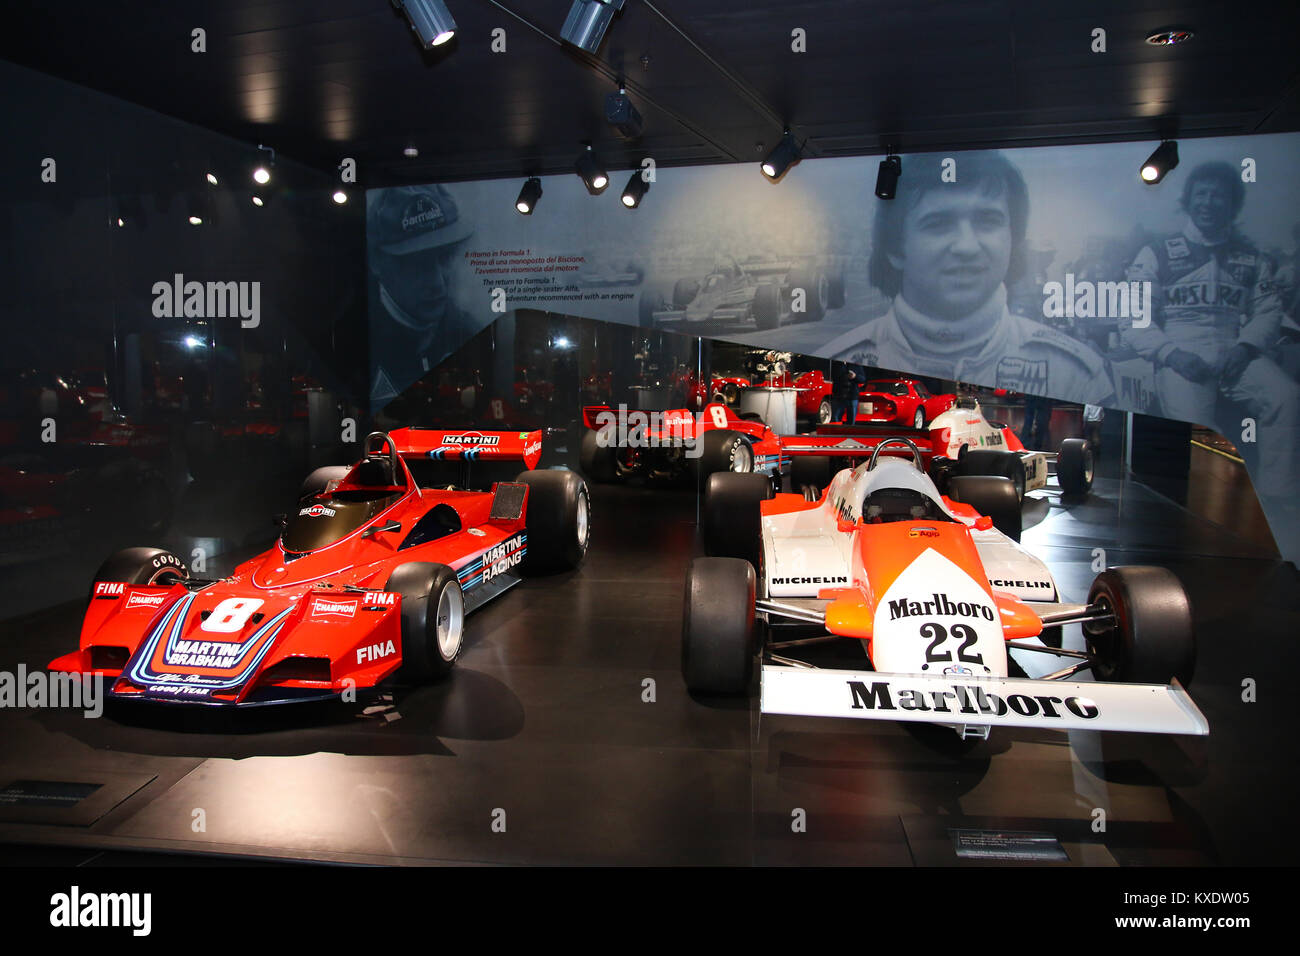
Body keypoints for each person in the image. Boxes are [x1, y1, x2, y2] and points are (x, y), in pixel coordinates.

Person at [825, 152, 1116, 406]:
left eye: (987, 221)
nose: (966, 246)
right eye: (938, 224)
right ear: (895, 248)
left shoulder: (1075, 373)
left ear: (1012, 240)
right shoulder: (839, 353)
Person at [1121, 161, 1298, 498]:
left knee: (1286, 397)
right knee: (1189, 420)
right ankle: (1187, 498)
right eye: (1202, 194)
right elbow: (1133, 316)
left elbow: (1268, 311)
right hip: (1179, 349)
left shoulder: (1251, 258)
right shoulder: (1157, 252)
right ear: (1188, 201)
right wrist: (1170, 353)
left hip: (1235, 348)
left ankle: (1279, 498)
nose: (1209, 202)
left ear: (1233, 204)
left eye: (1219, 195)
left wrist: (1245, 348)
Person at [368, 185, 478, 407]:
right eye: (418, 264)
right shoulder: (360, 341)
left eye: (445, 257)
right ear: (376, 262)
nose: (438, 283)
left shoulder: (470, 335)